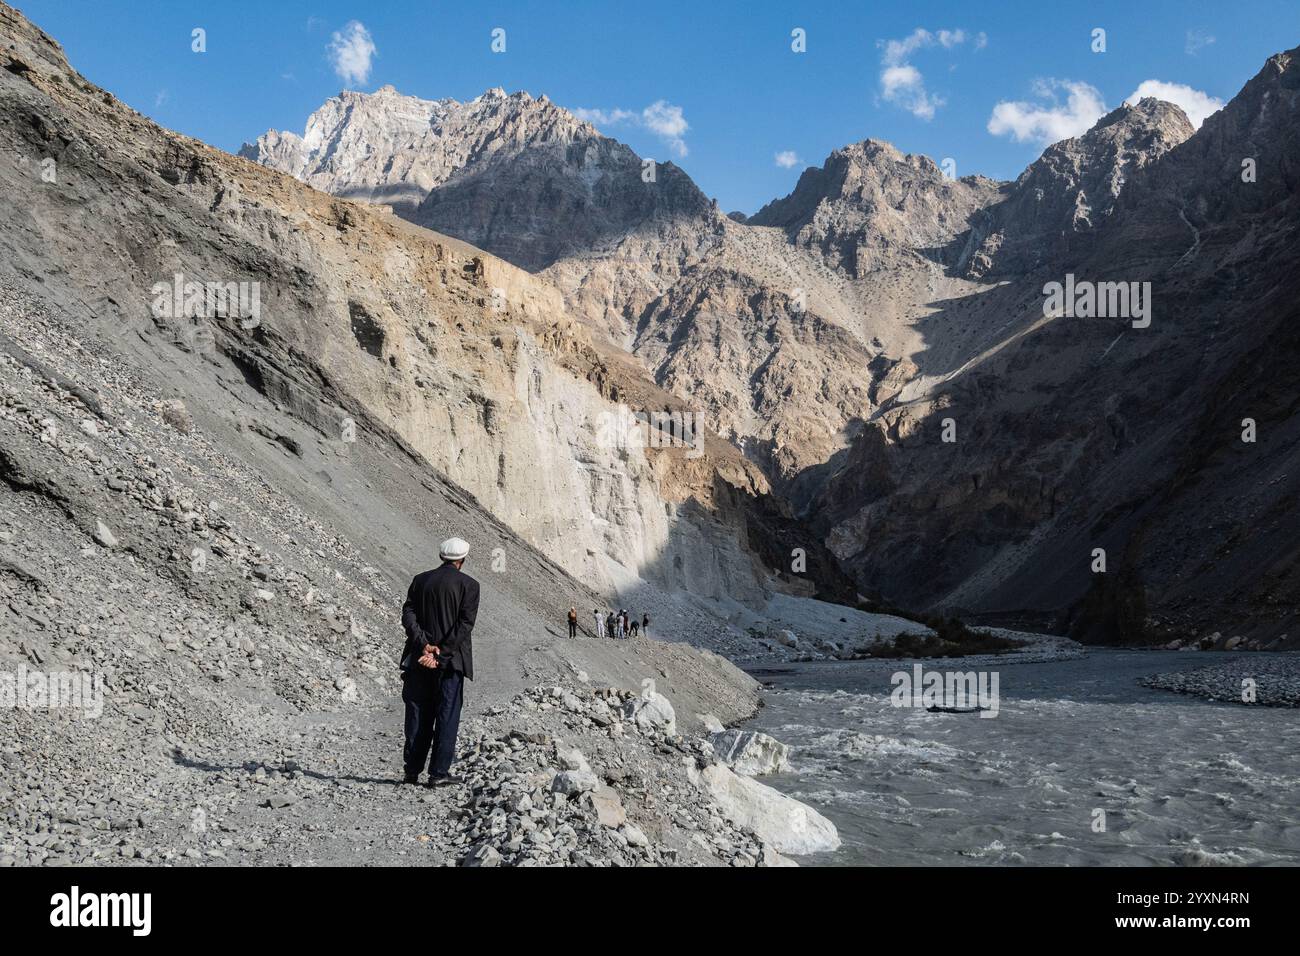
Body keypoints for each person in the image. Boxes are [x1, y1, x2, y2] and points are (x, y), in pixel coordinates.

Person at [399, 537, 479, 787]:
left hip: (419, 660)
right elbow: (465, 624)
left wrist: (424, 645)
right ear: (462, 561)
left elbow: (408, 613)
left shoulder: (421, 580)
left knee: (417, 713)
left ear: (442, 557)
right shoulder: (470, 585)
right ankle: (438, 773)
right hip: (450, 663)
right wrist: (441, 653)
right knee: (446, 714)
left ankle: (411, 771)